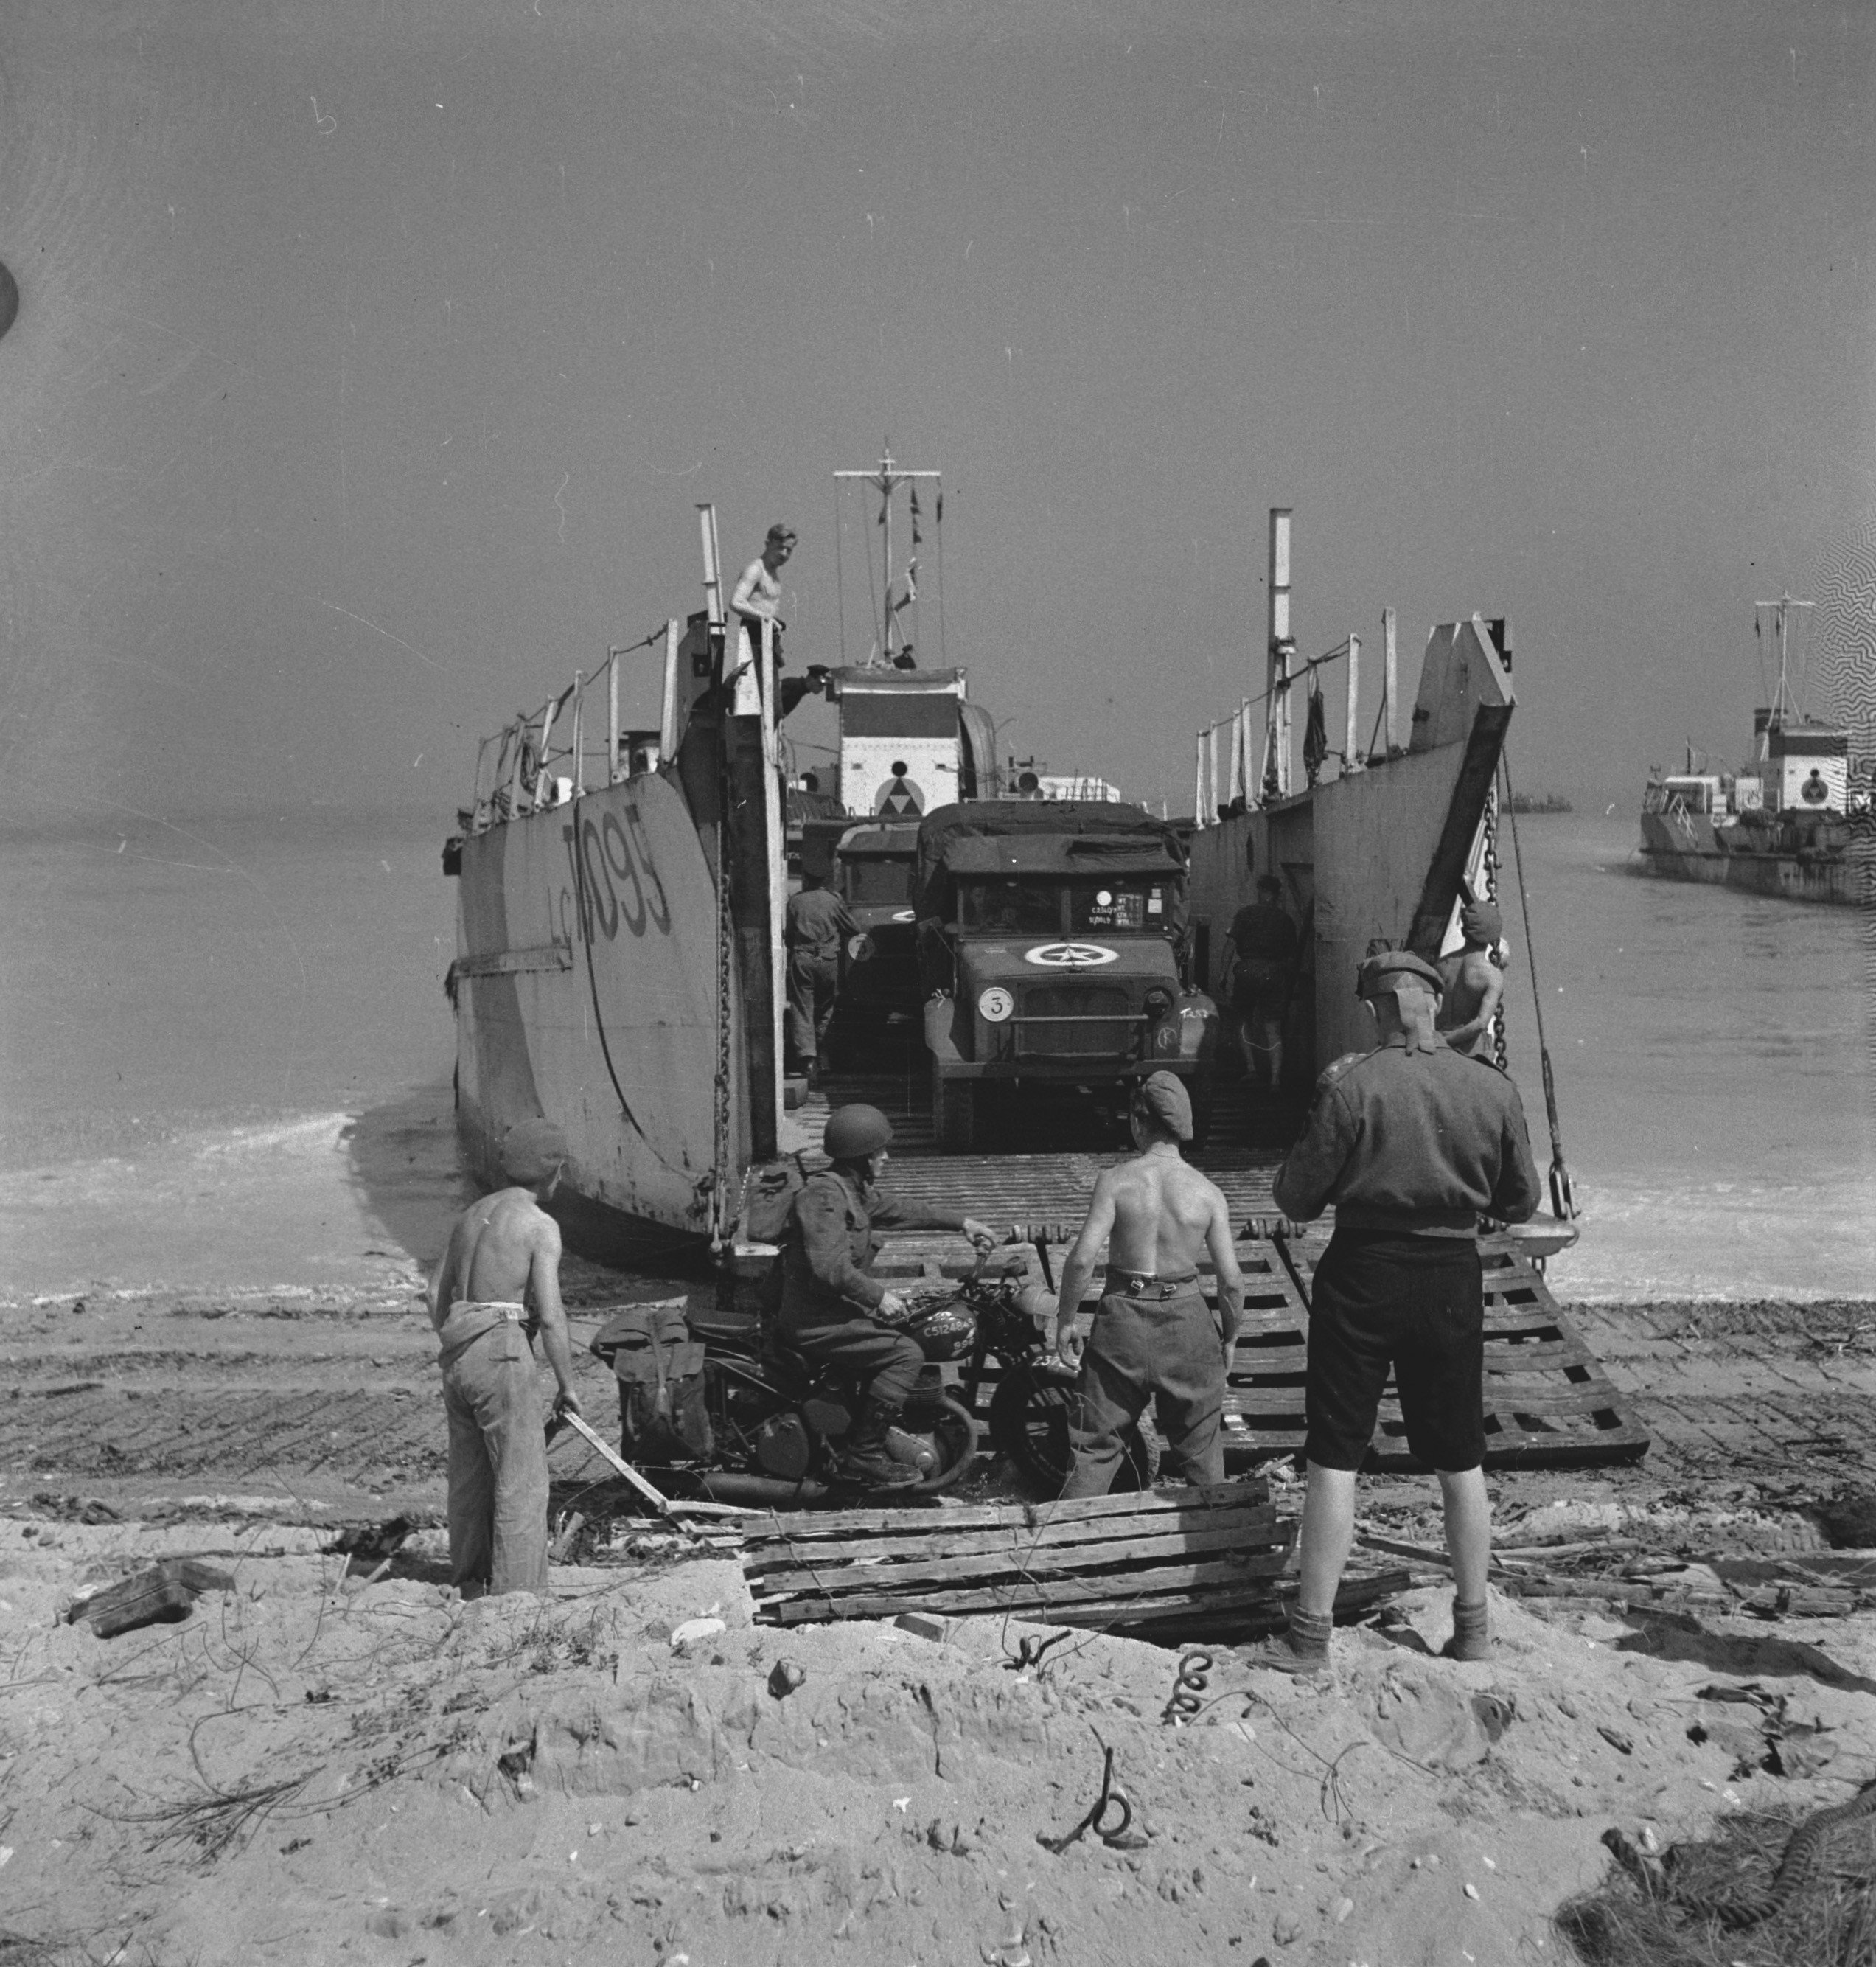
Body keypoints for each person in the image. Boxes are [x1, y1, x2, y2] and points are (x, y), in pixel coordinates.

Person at [1249, 952, 1541, 1676]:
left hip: (1364, 1272)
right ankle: (1472, 1631)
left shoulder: (1354, 1086)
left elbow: (1296, 1199)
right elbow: (1519, 1203)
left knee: (1335, 1454)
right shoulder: (1490, 1088)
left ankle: (1310, 1638)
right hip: (1450, 1275)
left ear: (1378, 1009)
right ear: (1433, 1005)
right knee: (1460, 1456)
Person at [781, 1104, 998, 1488]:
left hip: (833, 1310)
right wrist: (879, 1296)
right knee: (905, 1353)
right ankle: (863, 1456)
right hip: (814, 1320)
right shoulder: (822, 1196)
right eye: (879, 1151)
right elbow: (829, 1266)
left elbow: (901, 1211)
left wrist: (962, 1223)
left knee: (910, 1329)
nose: (886, 1157)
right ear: (860, 1156)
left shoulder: (851, 1191)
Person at [1053, 1072, 1246, 1498]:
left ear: (1139, 1121)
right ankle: (1217, 1545)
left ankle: (1066, 1555)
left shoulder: (1116, 1181)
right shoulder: (1209, 1193)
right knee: (1200, 1446)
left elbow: (1083, 1258)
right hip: (1188, 1325)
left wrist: (1067, 1319)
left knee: (1095, 1447)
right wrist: (1230, 1337)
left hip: (1123, 1320)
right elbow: (1231, 1282)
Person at [428, 1118, 585, 1599]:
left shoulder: (472, 1214)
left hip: (458, 1346)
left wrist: (460, 1336)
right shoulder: (539, 1225)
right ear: (552, 1171)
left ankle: (469, 1580)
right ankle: (519, 1595)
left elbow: (435, 1291)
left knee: (470, 1480)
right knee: (521, 1480)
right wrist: (568, 1385)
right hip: (501, 1345)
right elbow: (553, 1317)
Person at [1224, 874, 1300, 1089]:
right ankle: (1275, 1079)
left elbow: (1230, 946)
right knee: (1273, 1028)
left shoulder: (1245, 914)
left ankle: (1251, 1069)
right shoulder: (1286, 920)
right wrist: (1290, 983)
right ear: (1278, 894)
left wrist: (1223, 975)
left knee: (1243, 1021)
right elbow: (1291, 958)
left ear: (1260, 890)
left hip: (1247, 969)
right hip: (1274, 971)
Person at [784, 869, 859, 1078]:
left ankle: (808, 1059)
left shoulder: (795, 902)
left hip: (804, 959)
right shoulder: (833, 900)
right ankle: (824, 1056)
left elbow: (789, 937)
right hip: (827, 960)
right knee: (826, 1008)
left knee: (802, 1008)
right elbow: (853, 929)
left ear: (806, 879)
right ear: (824, 880)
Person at [1437, 899, 1506, 1059]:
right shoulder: (1492, 976)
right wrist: (1449, 1040)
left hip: (1439, 1046)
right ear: (1494, 936)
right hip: (1471, 1053)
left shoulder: (1442, 965)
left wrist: (1440, 1039)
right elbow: (1481, 1023)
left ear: (1463, 931)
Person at [731, 524, 795, 665]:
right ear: (768, 544)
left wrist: (772, 619)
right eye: (780, 547)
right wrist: (766, 618)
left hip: (768, 640)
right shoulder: (755, 569)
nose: (784, 554)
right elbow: (736, 602)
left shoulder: (773, 575)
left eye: (789, 550)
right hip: (752, 640)